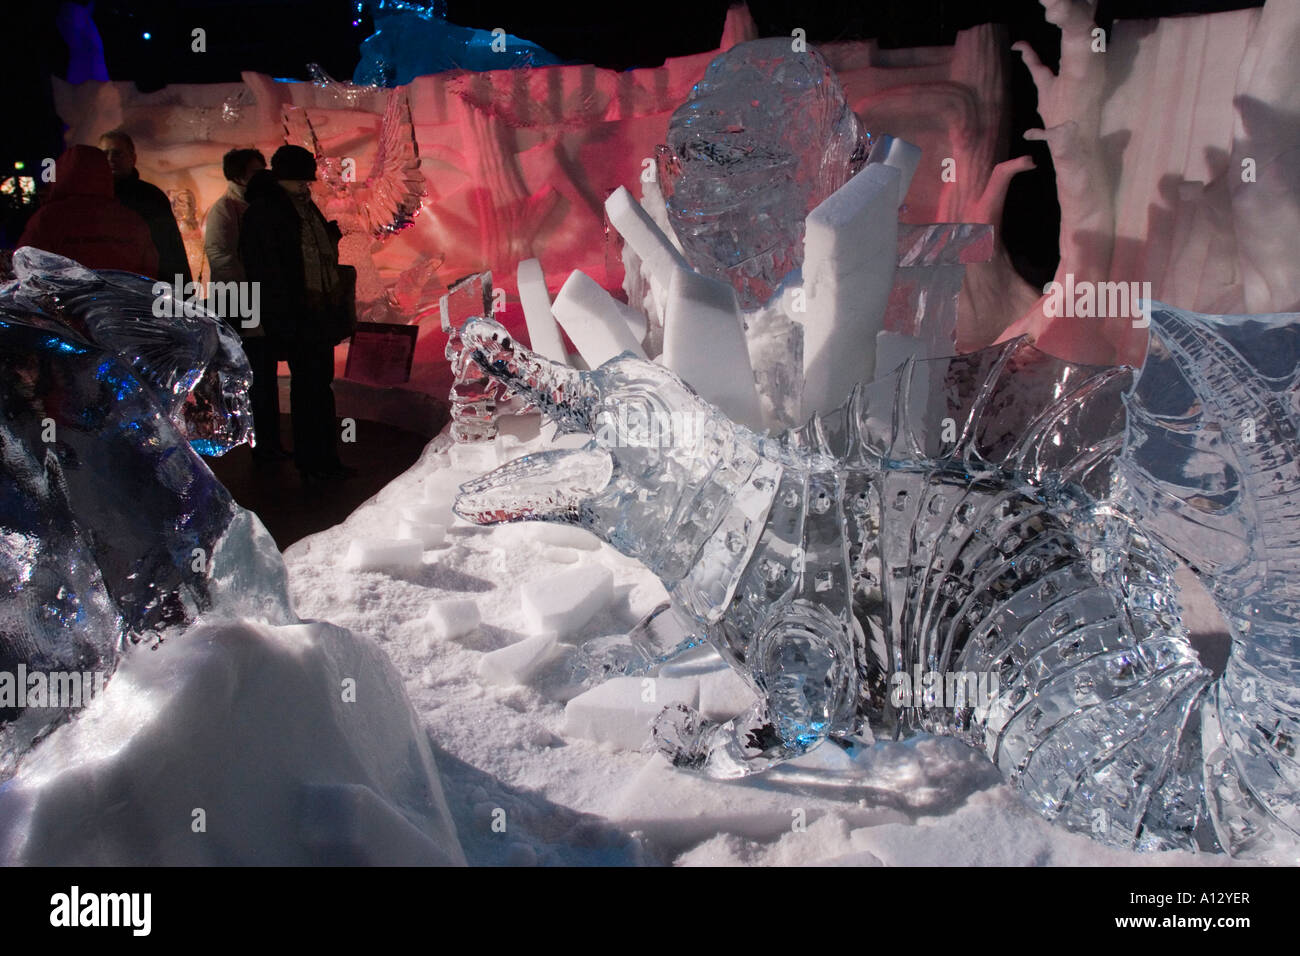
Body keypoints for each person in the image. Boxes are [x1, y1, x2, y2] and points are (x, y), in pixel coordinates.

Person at [239, 147, 355, 482]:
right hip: (296, 313)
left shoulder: (296, 206)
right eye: (299, 181)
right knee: (309, 388)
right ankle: (315, 461)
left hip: (313, 311)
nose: (304, 187)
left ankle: (324, 459)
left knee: (317, 386)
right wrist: (279, 313)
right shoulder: (266, 210)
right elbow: (265, 267)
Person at [205, 148, 288, 461]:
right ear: (239, 175)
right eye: (255, 170)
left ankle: (269, 443)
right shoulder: (226, 209)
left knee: (264, 371)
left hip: (256, 299)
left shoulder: (254, 206)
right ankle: (260, 445)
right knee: (254, 373)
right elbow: (220, 256)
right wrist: (251, 285)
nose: (262, 175)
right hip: (243, 301)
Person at [17, 144, 157, 275]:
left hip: (67, 300)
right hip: (124, 300)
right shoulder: (131, 219)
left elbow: (25, 267)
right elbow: (149, 270)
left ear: (63, 173)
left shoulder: (48, 219)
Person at [98, 129, 192, 287]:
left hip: (146, 285)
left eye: (117, 153)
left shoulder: (151, 197)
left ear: (133, 158)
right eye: (105, 154)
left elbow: (170, 247)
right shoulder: (92, 197)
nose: (110, 159)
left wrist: (181, 287)